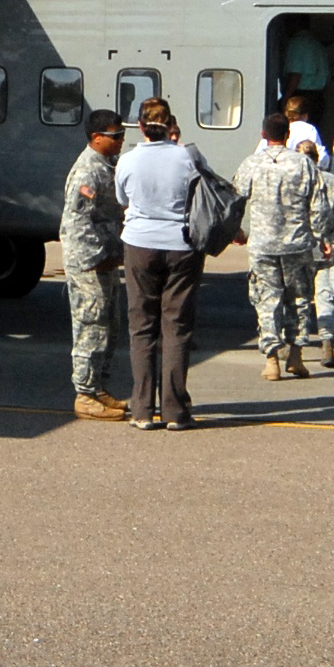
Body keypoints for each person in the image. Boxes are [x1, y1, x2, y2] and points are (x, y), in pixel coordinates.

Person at [114, 96, 201, 430]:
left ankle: (141, 409)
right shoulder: (187, 157)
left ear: (140, 126)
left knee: (142, 326)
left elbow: (123, 199)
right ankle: (176, 411)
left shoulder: (128, 161)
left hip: (139, 242)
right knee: (176, 327)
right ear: (170, 124)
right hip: (181, 244)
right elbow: (201, 193)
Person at [232, 111, 328, 381]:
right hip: (297, 244)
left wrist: (236, 230)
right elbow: (318, 205)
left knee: (267, 300)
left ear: (263, 135)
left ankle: (271, 359)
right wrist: (322, 238)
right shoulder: (303, 164)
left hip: (262, 244)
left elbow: (236, 199)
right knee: (299, 300)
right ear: (287, 135)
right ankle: (296, 356)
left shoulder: (251, 164)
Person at [58, 110, 129, 421]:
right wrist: (98, 258)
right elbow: (77, 222)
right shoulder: (88, 171)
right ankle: (84, 394)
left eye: (121, 135)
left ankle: (98, 386)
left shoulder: (105, 166)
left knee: (109, 326)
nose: (120, 141)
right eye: (115, 136)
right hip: (90, 264)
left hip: (107, 261)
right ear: (96, 137)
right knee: (91, 325)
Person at [302, 137, 334, 368]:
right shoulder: (332, 181)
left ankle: (295, 347)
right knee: (325, 297)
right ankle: (327, 344)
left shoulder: (295, 180)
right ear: (317, 158)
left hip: (300, 247)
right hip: (328, 246)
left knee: (299, 298)